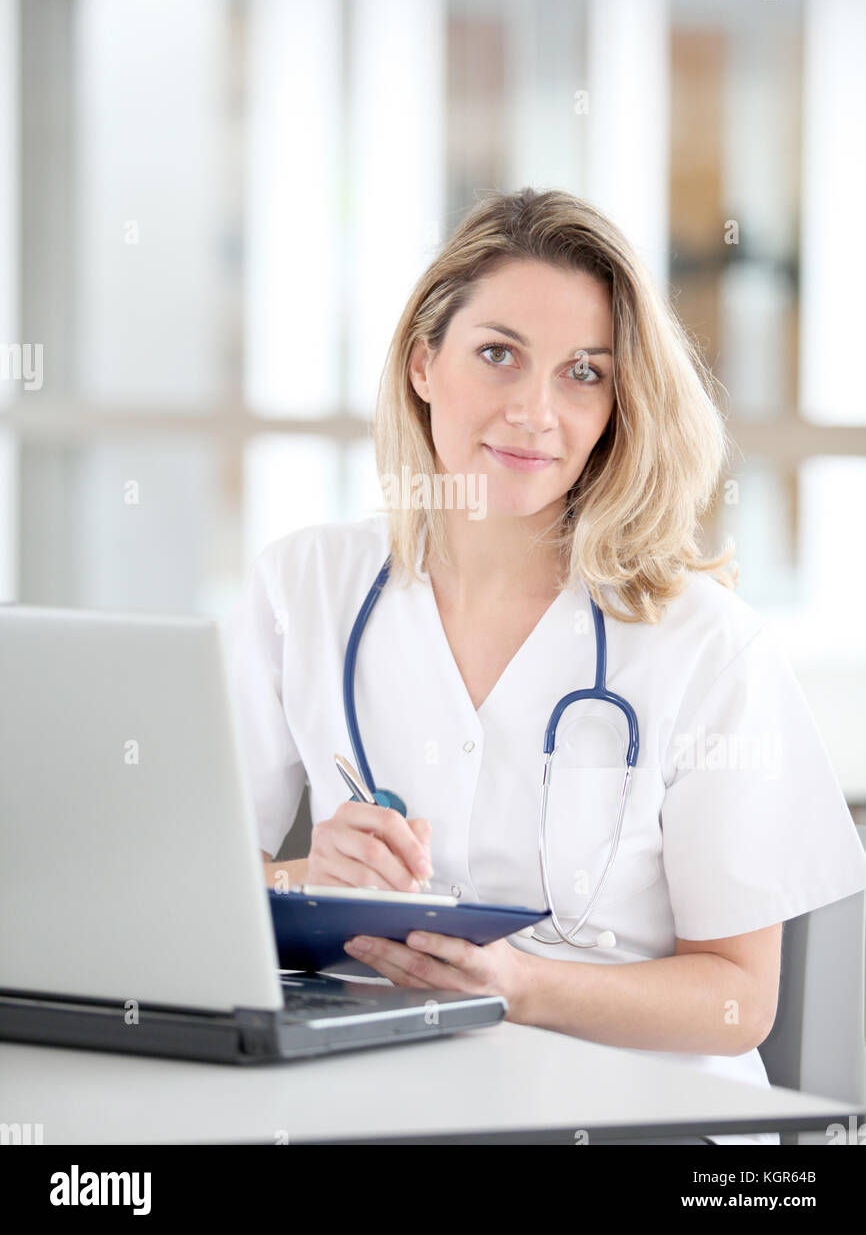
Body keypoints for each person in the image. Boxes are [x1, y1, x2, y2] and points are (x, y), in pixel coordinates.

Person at [228, 187, 866, 1146]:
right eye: (498, 355)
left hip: (645, 1128)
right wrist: (298, 878)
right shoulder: (305, 588)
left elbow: (739, 1002)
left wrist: (519, 988)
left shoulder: (704, 644)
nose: (535, 412)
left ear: (618, 406)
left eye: (583, 374)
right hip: (378, 1108)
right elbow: (173, 880)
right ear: (422, 364)